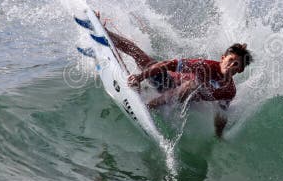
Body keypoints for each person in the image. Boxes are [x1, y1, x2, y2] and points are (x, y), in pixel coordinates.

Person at [105, 29, 252, 138]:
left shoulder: (229, 91)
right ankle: (106, 33)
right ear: (223, 58)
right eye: (230, 60)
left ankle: (149, 103)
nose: (231, 65)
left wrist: (219, 135)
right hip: (166, 81)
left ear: (240, 70)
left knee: (193, 88)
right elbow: (169, 64)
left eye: (236, 64)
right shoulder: (204, 66)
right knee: (140, 56)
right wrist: (140, 77)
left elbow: (221, 111)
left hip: (183, 100)